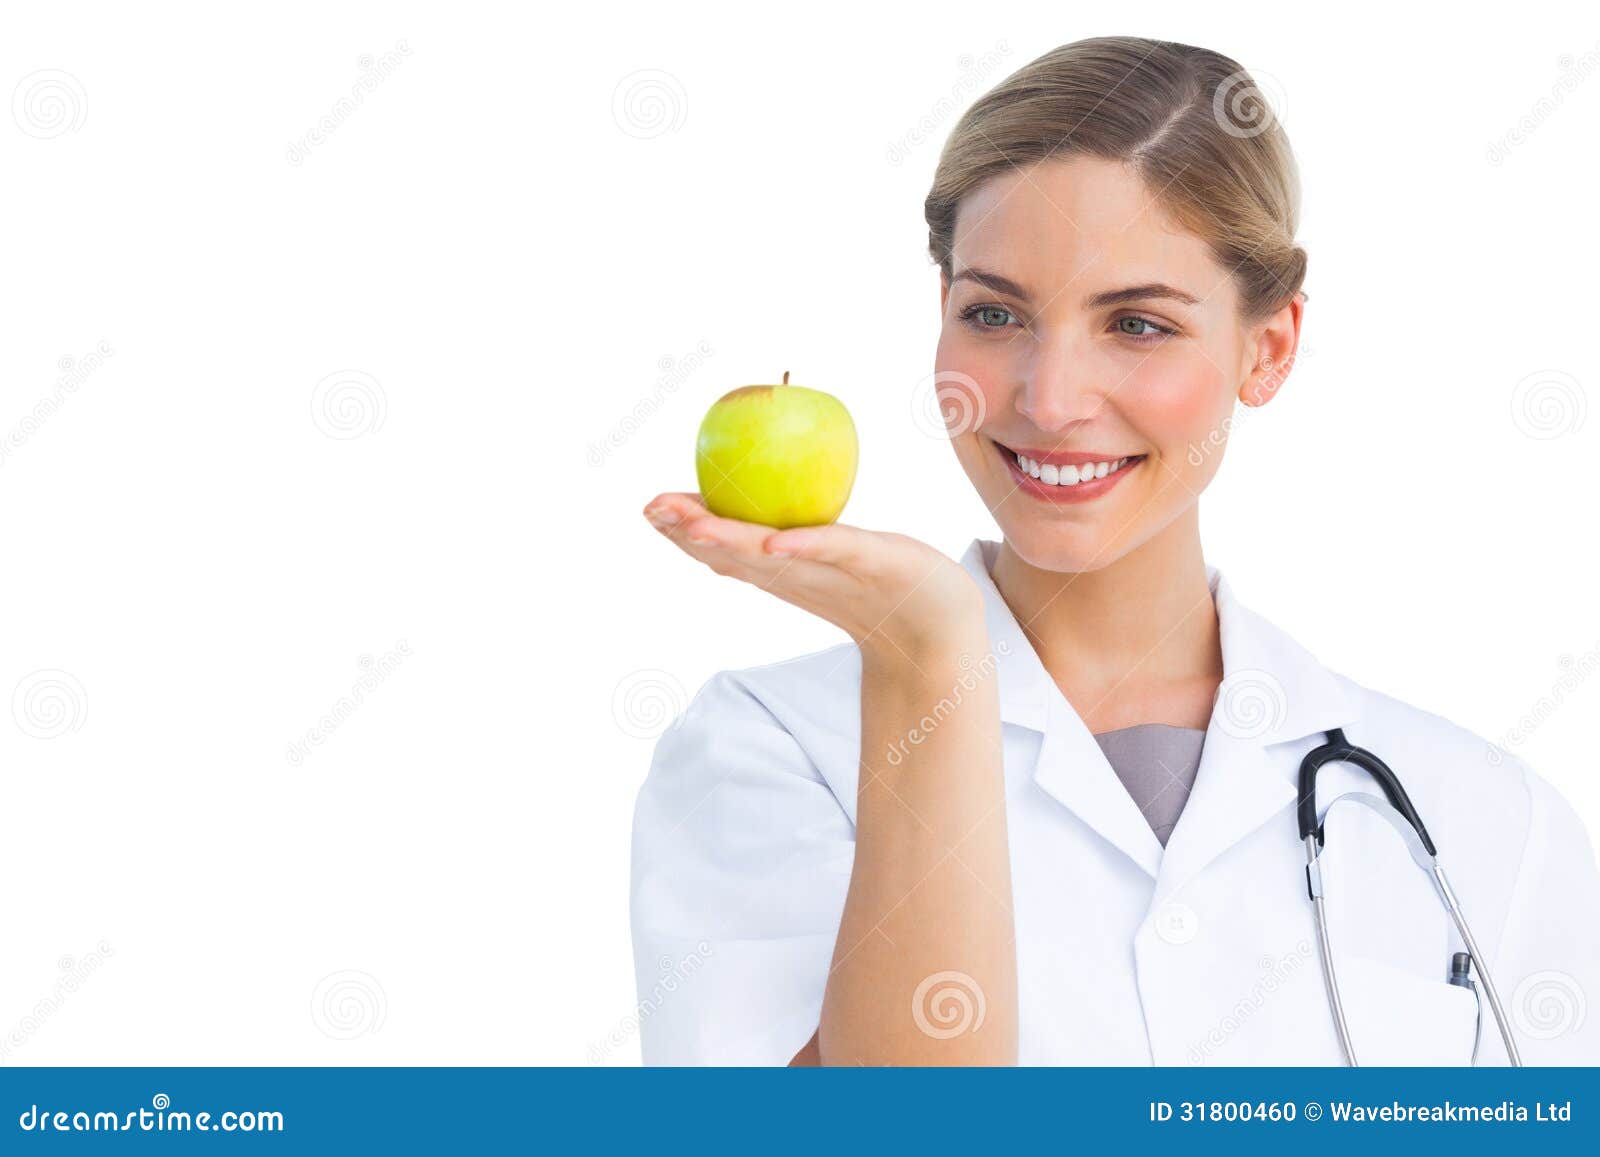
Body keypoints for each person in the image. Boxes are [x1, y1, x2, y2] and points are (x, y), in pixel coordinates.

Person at [630, 35, 1600, 1066]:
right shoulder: (770, 751)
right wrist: (927, 661)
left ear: (1267, 348)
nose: (1050, 399)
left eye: (1136, 324)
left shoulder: (1484, 814)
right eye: (994, 313)